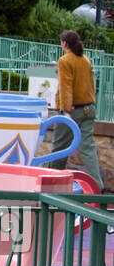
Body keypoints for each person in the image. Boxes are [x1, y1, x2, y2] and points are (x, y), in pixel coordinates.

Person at [52, 29, 102, 187]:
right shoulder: (85, 60)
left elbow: (66, 88)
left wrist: (65, 111)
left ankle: (51, 183)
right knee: (88, 149)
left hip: (72, 111)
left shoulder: (65, 60)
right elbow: (91, 86)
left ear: (65, 43)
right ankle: (98, 185)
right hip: (88, 109)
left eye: (61, 42)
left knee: (59, 147)